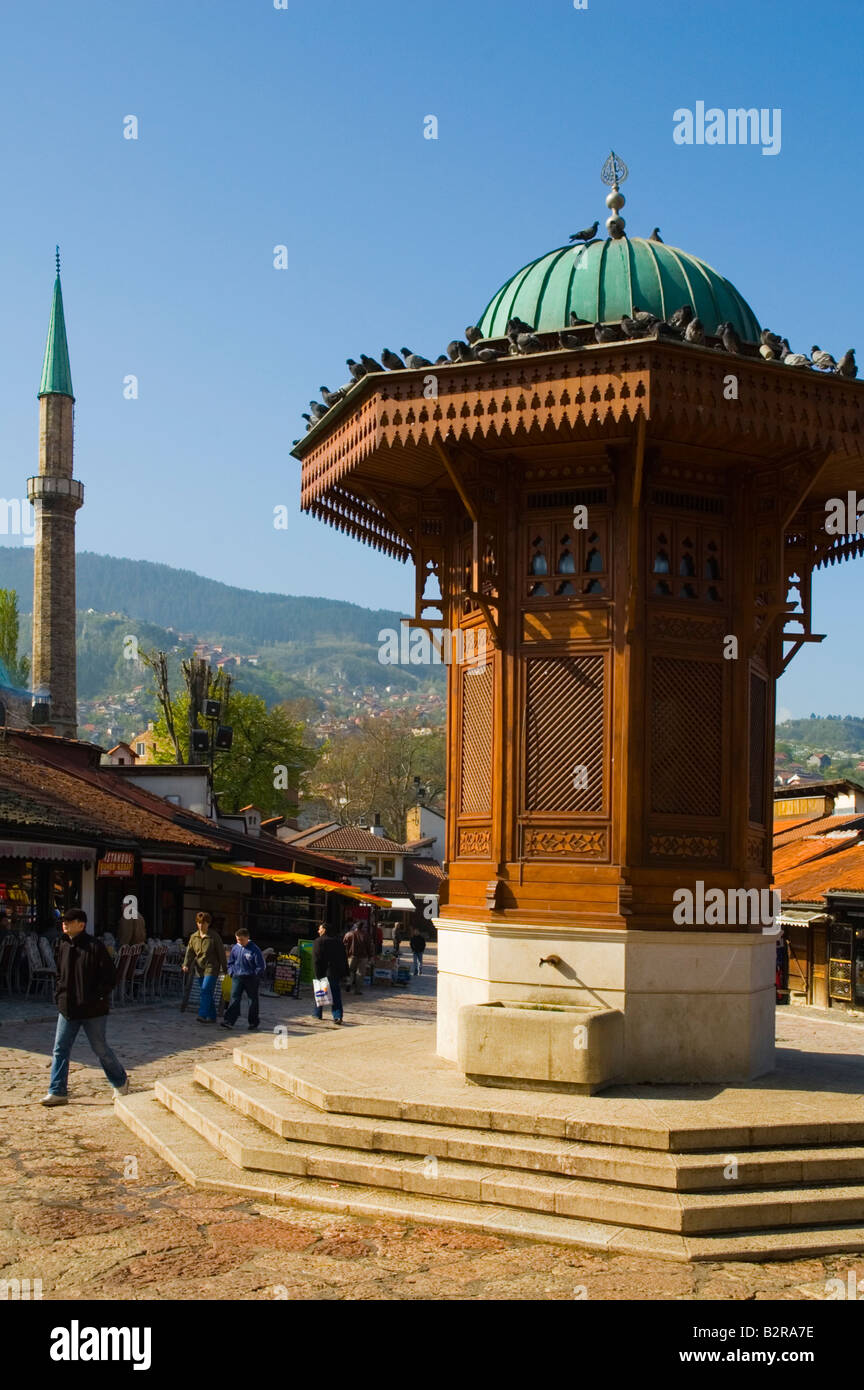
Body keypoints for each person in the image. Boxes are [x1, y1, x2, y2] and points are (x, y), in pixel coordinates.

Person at [41, 908, 128, 1107]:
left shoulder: (94, 947)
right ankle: (57, 1091)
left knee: (100, 1049)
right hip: (67, 1007)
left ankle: (120, 1081)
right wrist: (59, 994)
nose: (65, 924)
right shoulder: (62, 944)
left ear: (81, 924)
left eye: (70, 921)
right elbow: (60, 974)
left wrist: (96, 996)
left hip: (93, 1010)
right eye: (64, 921)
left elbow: (111, 977)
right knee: (60, 1049)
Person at [182, 911, 227, 1023]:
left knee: (205, 990)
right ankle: (212, 1017)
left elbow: (221, 953)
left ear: (208, 923)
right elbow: (190, 952)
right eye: (199, 922)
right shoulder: (194, 937)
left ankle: (202, 1015)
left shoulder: (214, 936)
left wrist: (225, 969)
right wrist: (186, 964)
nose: (201, 925)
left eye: (204, 923)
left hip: (212, 968)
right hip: (199, 968)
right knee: (207, 992)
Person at [221, 928, 266, 1031]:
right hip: (237, 976)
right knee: (234, 998)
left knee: (252, 1000)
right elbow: (231, 961)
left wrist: (255, 975)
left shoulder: (254, 949)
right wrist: (231, 971)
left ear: (247, 938)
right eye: (237, 939)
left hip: (250, 977)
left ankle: (253, 1022)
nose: (239, 942)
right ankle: (229, 1021)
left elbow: (261, 965)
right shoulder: (236, 948)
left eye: (241, 939)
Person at [312, 922, 348, 1025]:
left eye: (320, 929)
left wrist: (317, 973)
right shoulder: (338, 942)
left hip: (323, 972)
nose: (318, 931)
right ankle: (337, 1016)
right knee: (336, 995)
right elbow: (343, 958)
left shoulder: (319, 941)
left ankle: (317, 1014)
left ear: (324, 930)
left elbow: (316, 959)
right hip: (334, 973)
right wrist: (344, 973)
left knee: (320, 993)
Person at [342, 919, 372, 995]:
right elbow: (369, 947)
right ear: (362, 927)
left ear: (355, 926)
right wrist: (370, 956)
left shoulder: (349, 934)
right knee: (360, 973)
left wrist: (346, 954)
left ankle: (349, 982)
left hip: (351, 956)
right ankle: (357, 990)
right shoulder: (366, 935)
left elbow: (344, 945)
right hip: (363, 957)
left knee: (350, 971)